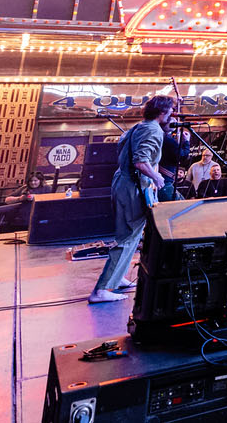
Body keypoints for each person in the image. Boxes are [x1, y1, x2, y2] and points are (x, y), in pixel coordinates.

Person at [91, 95, 174, 303]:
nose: (173, 113)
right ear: (162, 112)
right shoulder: (153, 130)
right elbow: (141, 161)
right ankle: (102, 289)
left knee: (132, 236)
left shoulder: (140, 126)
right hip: (133, 186)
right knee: (128, 237)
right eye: (171, 110)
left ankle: (116, 277)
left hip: (123, 182)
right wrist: (157, 177)